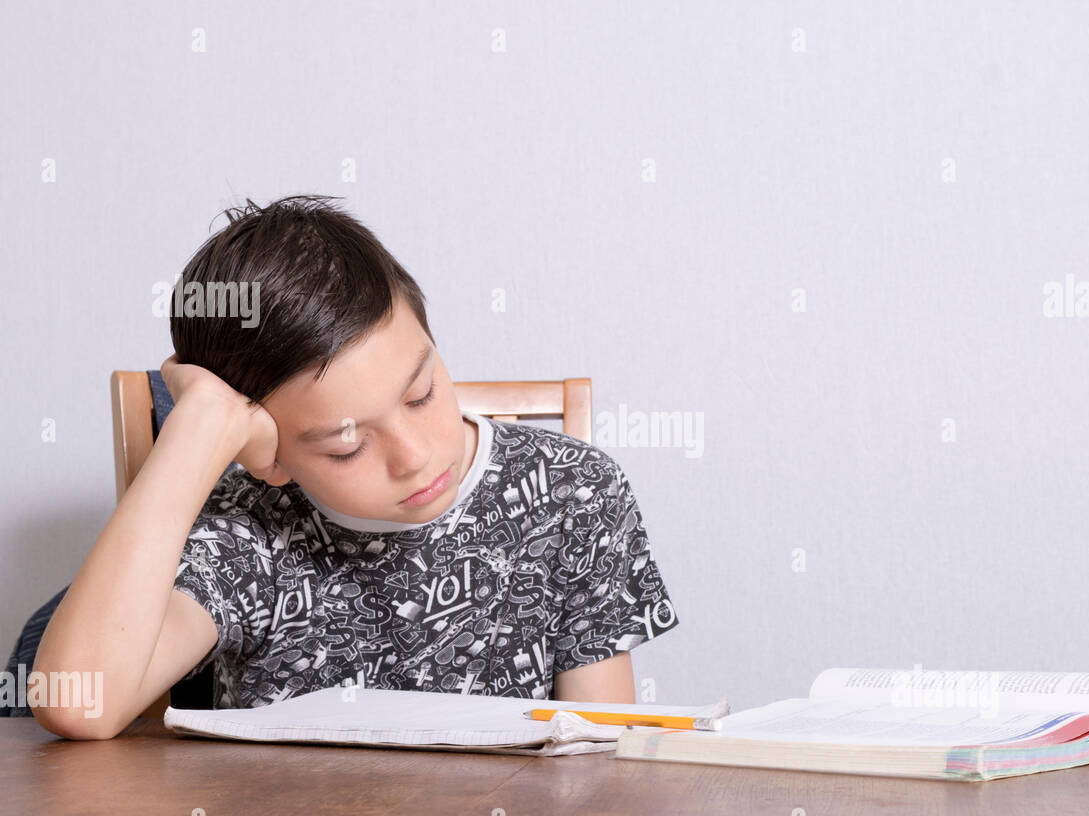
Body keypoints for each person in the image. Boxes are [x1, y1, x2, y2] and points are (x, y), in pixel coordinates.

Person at [31, 195, 681, 739]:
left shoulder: (572, 491)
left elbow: (603, 750)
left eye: (421, 393)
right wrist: (197, 426)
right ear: (268, 453)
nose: (417, 455)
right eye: (346, 446)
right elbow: (76, 701)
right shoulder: (245, 530)